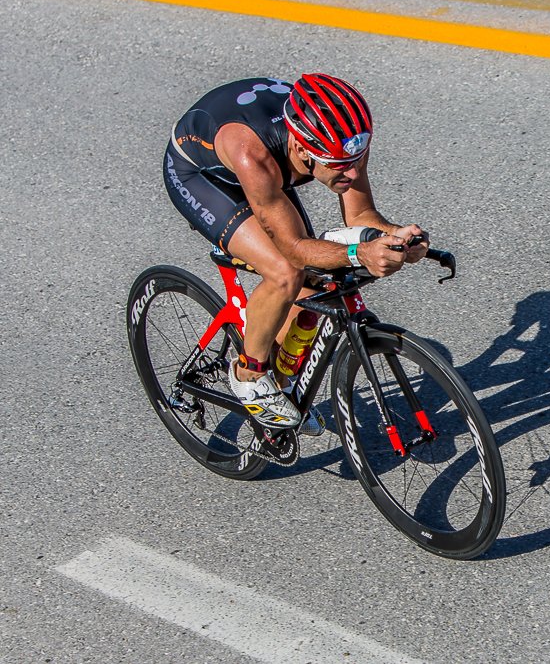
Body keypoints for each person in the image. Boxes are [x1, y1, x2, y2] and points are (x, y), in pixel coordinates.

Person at [163, 74, 427, 430]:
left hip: (269, 175)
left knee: (318, 282)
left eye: (357, 159)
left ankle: (281, 383)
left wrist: (398, 236)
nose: (352, 171)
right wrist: (361, 253)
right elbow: (294, 249)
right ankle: (249, 374)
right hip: (202, 174)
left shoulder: (342, 140)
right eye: (339, 165)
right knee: (286, 271)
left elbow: (360, 216)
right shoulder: (252, 152)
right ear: (303, 150)